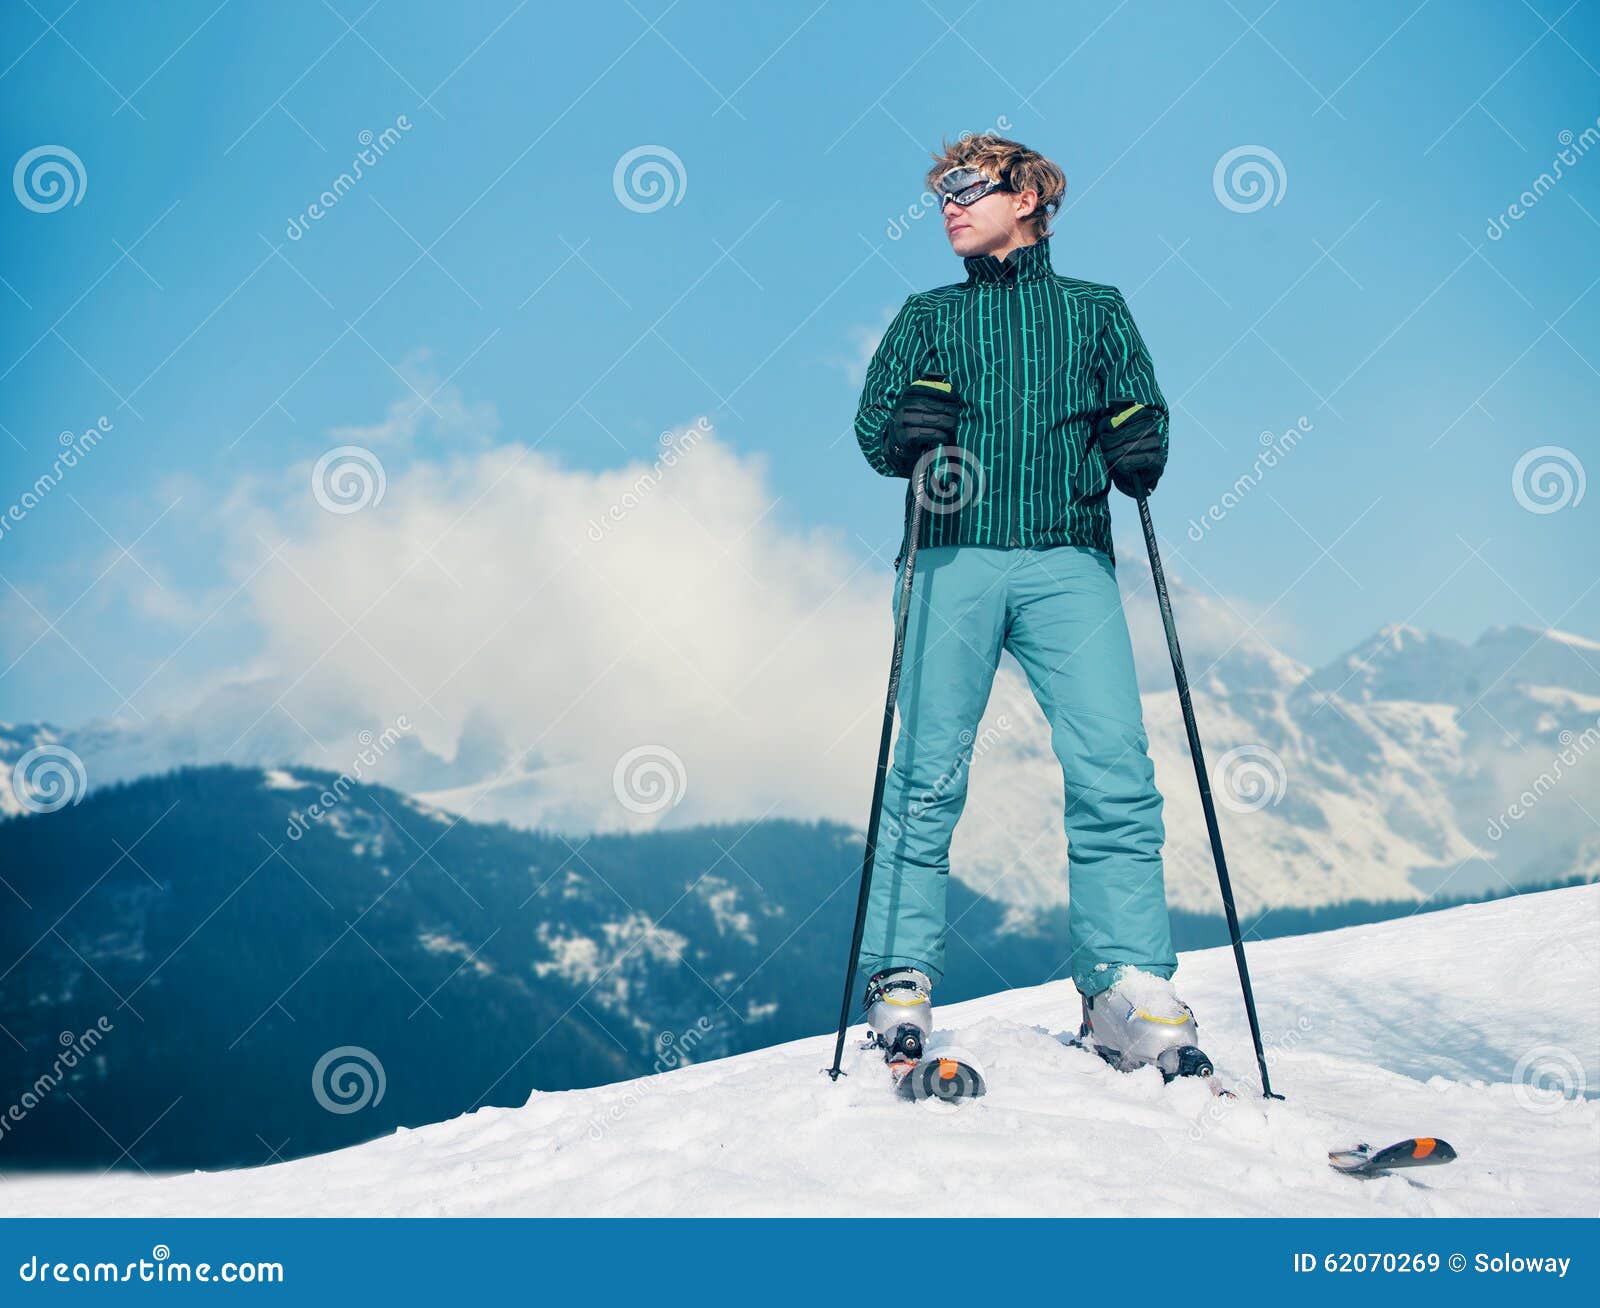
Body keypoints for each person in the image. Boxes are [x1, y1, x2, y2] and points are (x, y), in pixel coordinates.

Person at [853, 134, 1210, 1080]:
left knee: (1114, 775)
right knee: (925, 778)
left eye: (968, 188)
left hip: (1068, 562)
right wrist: (907, 432)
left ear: (1030, 197)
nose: (949, 205)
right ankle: (900, 978)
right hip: (952, 559)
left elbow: (1145, 413)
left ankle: (1123, 987)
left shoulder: (1097, 312)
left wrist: (1139, 443)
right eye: (940, 192)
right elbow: (871, 428)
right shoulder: (929, 317)